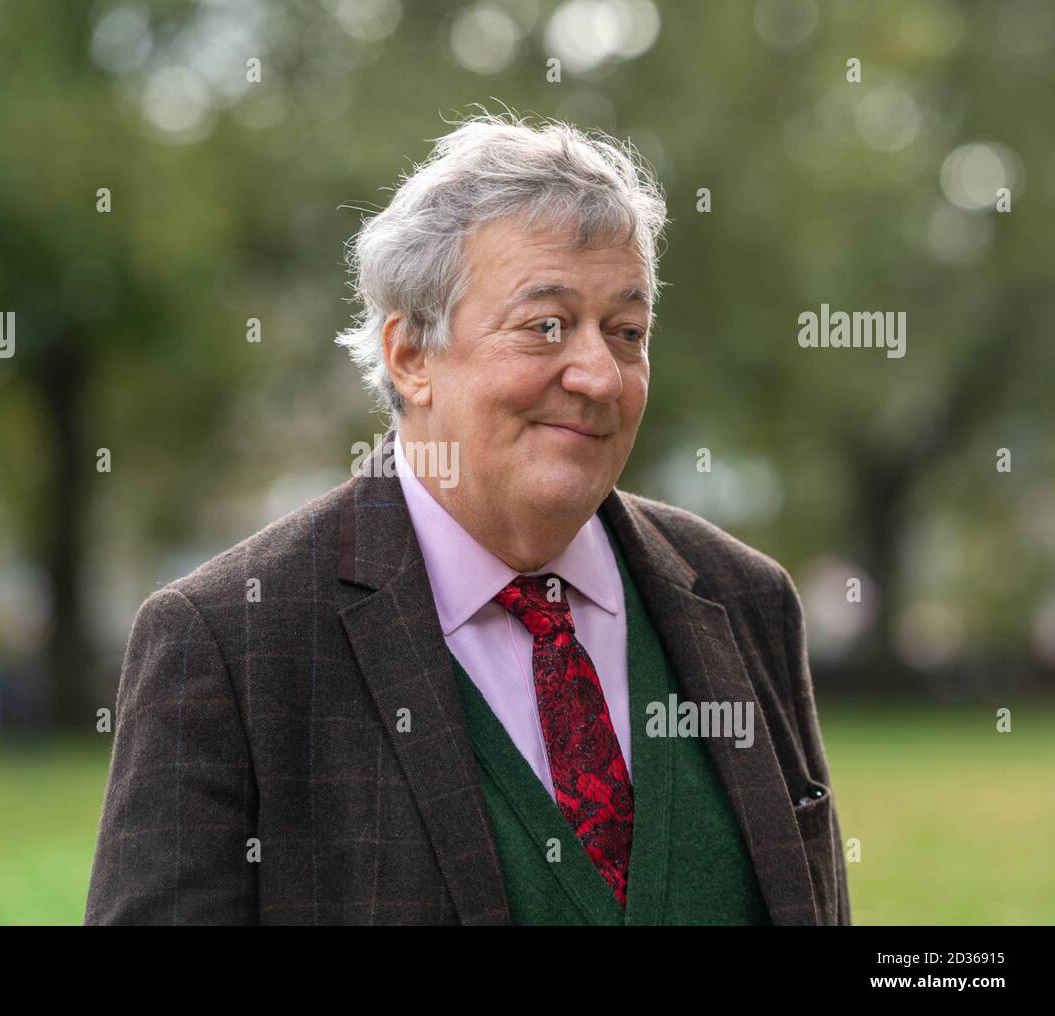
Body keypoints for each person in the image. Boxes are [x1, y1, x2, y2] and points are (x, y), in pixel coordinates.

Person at [84, 112, 851, 925]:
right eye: (545, 326)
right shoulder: (229, 644)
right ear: (411, 355)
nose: (598, 374)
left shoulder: (746, 601)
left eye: (626, 332)